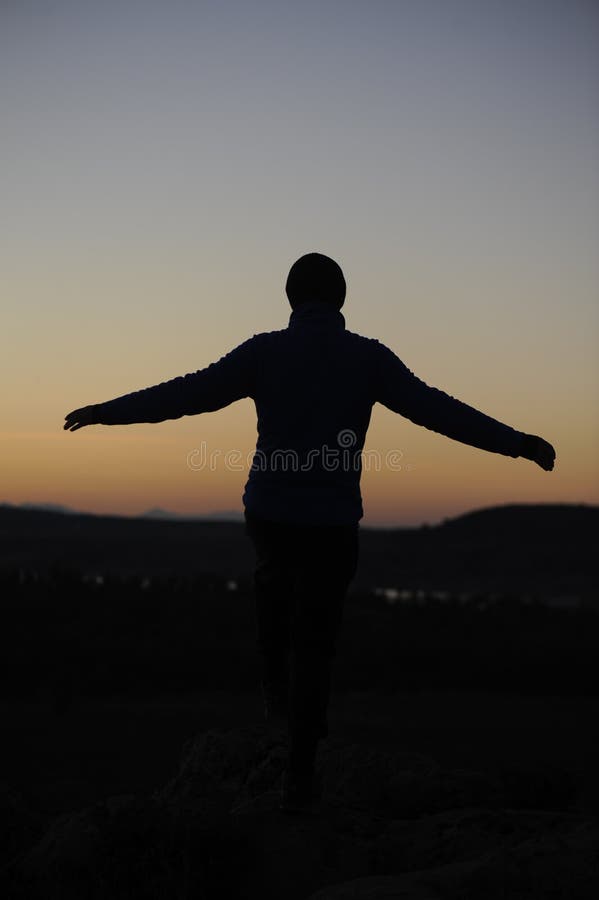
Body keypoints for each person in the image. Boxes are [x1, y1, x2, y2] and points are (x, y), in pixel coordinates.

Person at [64, 252, 556, 813]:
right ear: (341, 299)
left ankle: (274, 680)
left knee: (274, 587)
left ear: (291, 298)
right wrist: (518, 443)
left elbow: (185, 394)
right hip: (332, 523)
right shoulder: (368, 358)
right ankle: (300, 773)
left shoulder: (264, 351)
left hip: (270, 514)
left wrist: (106, 411)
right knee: (317, 643)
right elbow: (438, 410)